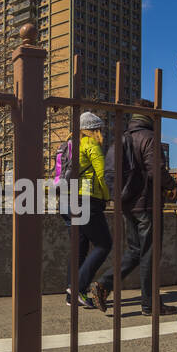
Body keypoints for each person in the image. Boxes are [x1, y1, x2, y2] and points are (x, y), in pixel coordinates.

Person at [102, 107, 169, 313]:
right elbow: (155, 172)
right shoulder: (149, 138)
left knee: (135, 250)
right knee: (149, 253)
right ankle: (149, 304)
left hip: (126, 203)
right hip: (146, 204)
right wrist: (172, 184)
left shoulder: (121, 139)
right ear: (150, 117)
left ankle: (104, 284)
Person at [61, 109, 112, 309]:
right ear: (93, 130)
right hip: (86, 199)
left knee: (78, 248)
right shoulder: (90, 144)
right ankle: (77, 287)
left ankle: (71, 294)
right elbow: (103, 174)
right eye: (100, 129)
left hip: (66, 200)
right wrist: (109, 196)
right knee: (104, 244)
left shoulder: (67, 146)